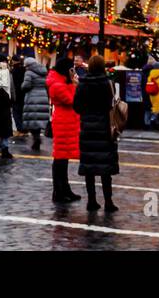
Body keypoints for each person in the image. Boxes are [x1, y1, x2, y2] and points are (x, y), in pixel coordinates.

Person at [72, 54, 118, 212]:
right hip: (104, 127)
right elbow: (110, 105)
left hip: (87, 127)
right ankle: (108, 202)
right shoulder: (107, 83)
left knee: (89, 167)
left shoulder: (82, 84)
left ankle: (91, 201)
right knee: (105, 168)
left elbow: (76, 106)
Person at [47, 57, 80, 202]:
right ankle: (58, 192)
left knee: (63, 159)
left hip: (67, 122)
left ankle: (65, 189)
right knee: (60, 158)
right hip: (62, 123)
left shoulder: (61, 82)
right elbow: (72, 101)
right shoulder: (57, 85)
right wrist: (74, 84)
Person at [20, 56, 50, 151]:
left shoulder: (28, 72)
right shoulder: (43, 71)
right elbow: (47, 84)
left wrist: (22, 86)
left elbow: (26, 85)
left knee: (32, 119)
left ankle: (36, 139)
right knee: (38, 119)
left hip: (32, 97)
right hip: (43, 96)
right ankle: (37, 138)